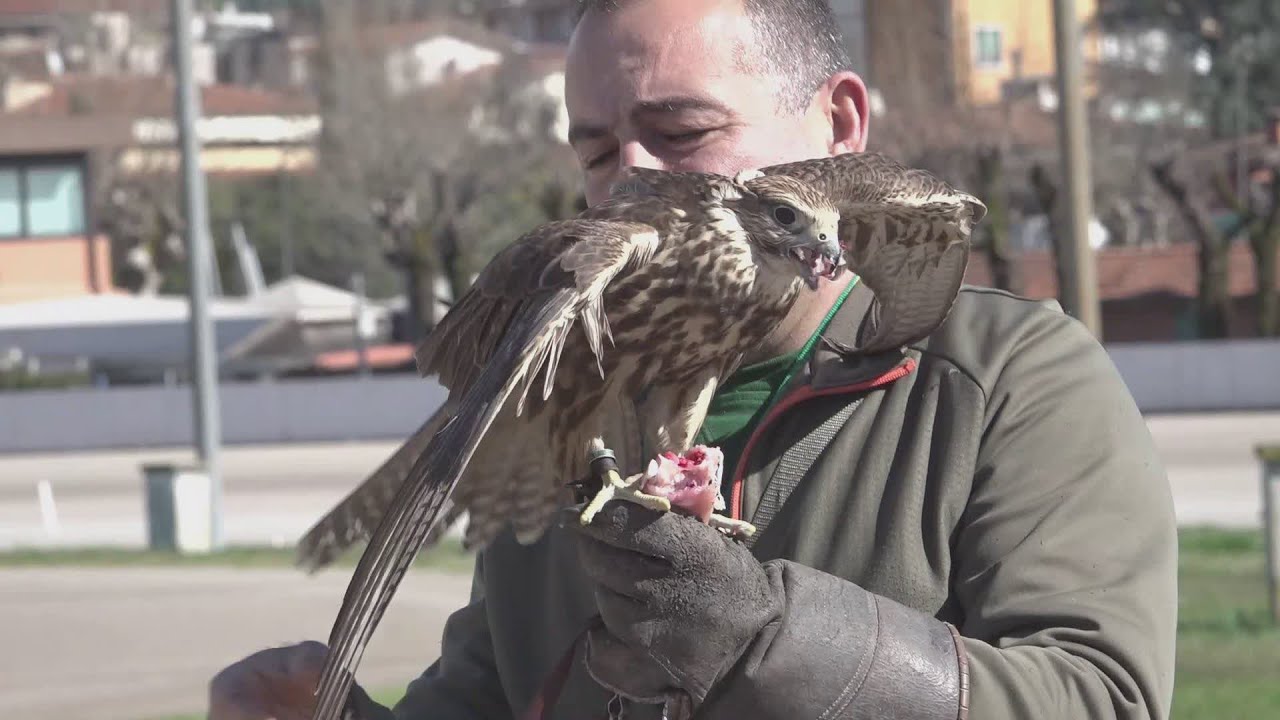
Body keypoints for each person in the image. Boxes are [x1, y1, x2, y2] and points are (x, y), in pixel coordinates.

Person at [208, 1, 1178, 719]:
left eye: (682, 132)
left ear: (836, 127)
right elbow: (496, 692)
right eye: (596, 152)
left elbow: (1103, 698)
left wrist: (769, 639)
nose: (633, 175)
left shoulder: (1000, 384)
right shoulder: (564, 392)